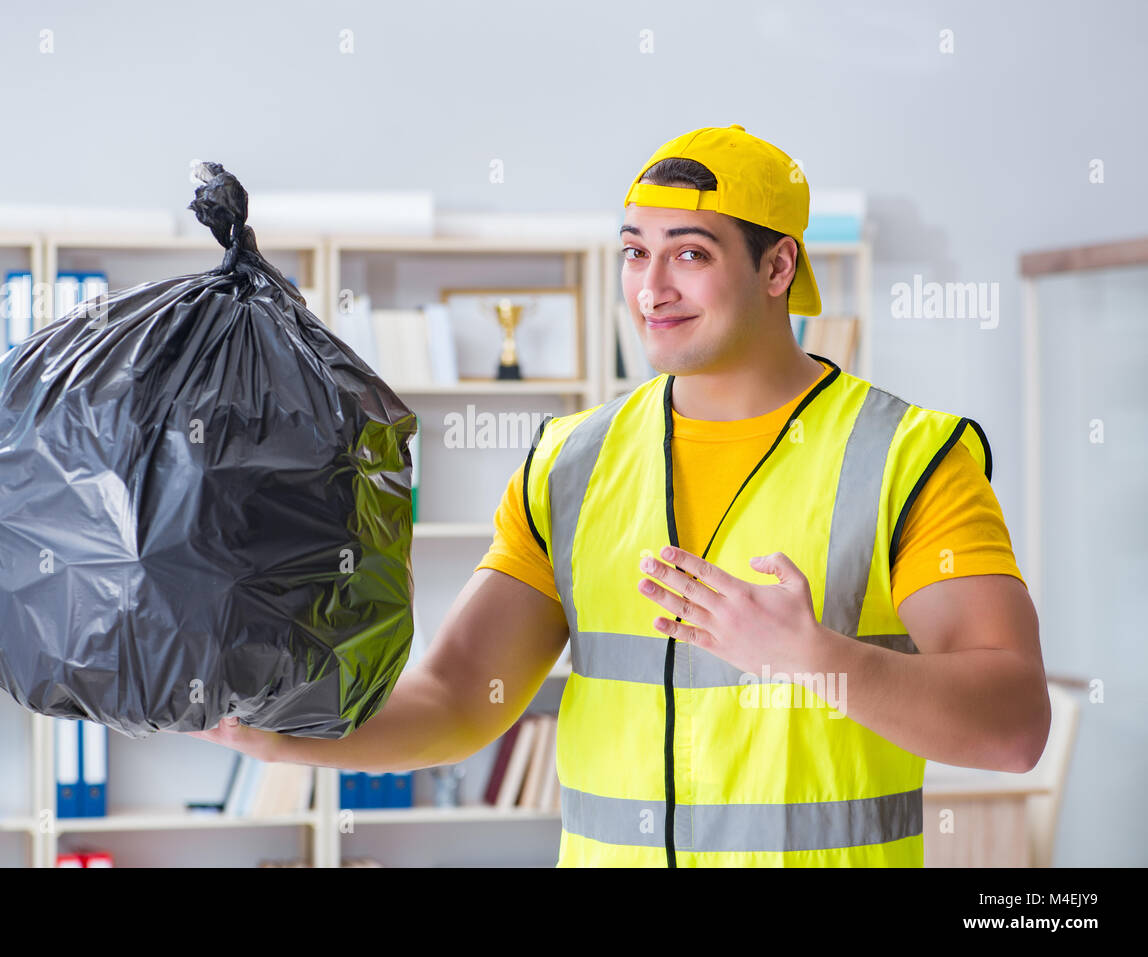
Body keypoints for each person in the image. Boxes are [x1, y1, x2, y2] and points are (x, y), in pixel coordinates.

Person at [189, 124, 1049, 867]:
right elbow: (457, 700)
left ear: (779, 264)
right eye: (635, 251)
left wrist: (813, 659)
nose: (651, 288)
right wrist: (276, 732)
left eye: (690, 253)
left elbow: (1013, 729)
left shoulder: (911, 458)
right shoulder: (573, 462)